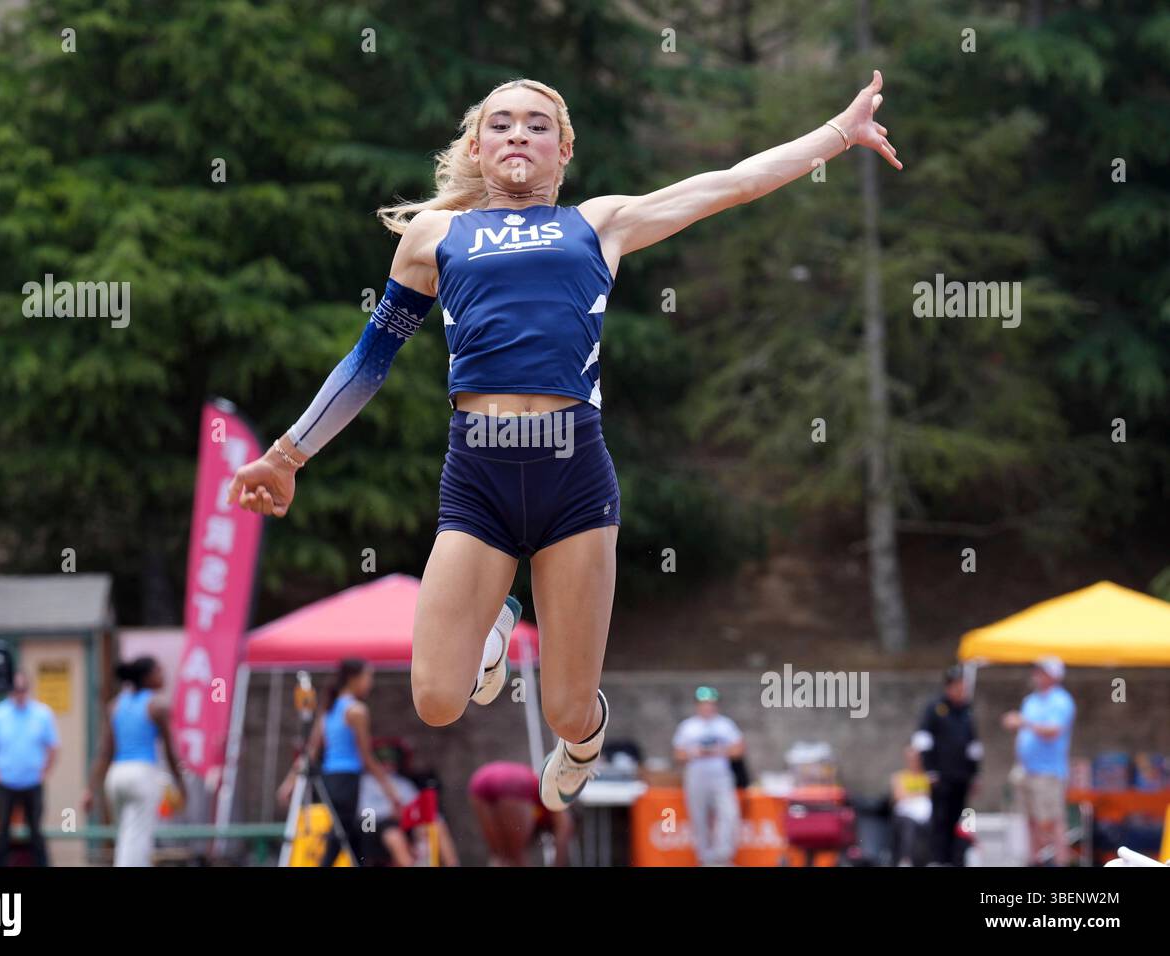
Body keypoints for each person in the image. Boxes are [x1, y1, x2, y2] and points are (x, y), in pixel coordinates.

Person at [225, 74, 902, 812]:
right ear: (478, 148)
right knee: (437, 700)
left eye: (538, 125)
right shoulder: (435, 238)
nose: (520, 134)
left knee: (566, 712)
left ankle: (585, 740)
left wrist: (839, 131)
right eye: (503, 124)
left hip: (573, 477)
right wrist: (287, 455)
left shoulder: (600, 223)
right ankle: (496, 622)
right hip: (477, 475)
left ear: (564, 150)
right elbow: (369, 359)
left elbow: (733, 184)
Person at [292, 659, 406, 867]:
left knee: (351, 834)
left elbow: (311, 750)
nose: (370, 683)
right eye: (368, 677)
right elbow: (367, 757)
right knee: (340, 835)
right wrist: (391, 791)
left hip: (330, 780)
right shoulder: (357, 711)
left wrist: (290, 782)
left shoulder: (329, 709)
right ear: (354, 678)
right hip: (347, 781)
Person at [83, 657, 186, 867]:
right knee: (140, 838)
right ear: (147, 677)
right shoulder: (157, 706)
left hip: (116, 776)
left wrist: (89, 789)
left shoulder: (115, 705)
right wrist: (181, 785)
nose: (162, 676)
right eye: (158, 671)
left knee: (125, 837)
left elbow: (105, 752)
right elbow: (170, 752)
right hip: (142, 774)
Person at [0, 670, 59, 866]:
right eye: (15, 689)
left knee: (35, 829)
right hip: (5, 782)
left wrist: (44, 772)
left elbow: (53, 746)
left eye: (23, 689)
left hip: (32, 782)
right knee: (2, 829)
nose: (19, 694)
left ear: (28, 689)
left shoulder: (42, 714)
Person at [1002, 657, 1076, 866]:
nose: (1036, 674)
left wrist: (1023, 722)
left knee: (1052, 822)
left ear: (1053, 675)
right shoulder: (1031, 700)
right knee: (1031, 821)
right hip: (1027, 771)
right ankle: (1035, 861)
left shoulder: (1061, 700)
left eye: (1042, 671)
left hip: (1048, 772)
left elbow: (1053, 730)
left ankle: (1061, 862)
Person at [912, 664, 982, 865]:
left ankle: (954, 859)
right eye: (957, 686)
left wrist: (975, 773)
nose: (961, 691)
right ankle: (937, 859)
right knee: (940, 820)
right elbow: (923, 740)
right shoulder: (935, 709)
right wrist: (930, 769)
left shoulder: (966, 711)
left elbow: (973, 745)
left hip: (961, 776)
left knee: (957, 820)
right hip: (940, 776)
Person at [672, 686, 744, 866]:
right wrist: (694, 752)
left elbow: (739, 749)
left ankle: (722, 856)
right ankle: (704, 858)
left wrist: (719, 750)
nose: (708, 708)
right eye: (704, 704)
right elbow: (678, 754)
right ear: (698, 706)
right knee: (698, 817)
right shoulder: (688, 726)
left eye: (711, 704)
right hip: (696, 778)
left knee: (729, 814)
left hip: (721, 778)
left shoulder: (725, 724)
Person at [354, 747, 460, 867]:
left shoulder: (403, 783)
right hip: (380, 827)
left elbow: (418, 806)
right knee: (394, 836)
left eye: (391, 762)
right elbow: (364, 813)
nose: (388, 766)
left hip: (407, 823)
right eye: (383, 762)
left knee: (436, 825)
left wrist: (421, 818)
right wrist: (389, 813)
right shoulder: (367, 783)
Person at [468, 761, 574, 866]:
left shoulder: (546, 804)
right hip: (514, 784)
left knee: (500, 855)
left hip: (480, 780)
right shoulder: (561, 807)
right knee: (516, 856)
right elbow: (562, 838)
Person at [891, 746, 933, 866]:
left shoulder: (927, 776)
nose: (913, 761)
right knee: (909, 827)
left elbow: (932, 796)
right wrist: (921, 793)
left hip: (925, 816)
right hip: (904, 816)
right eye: (910, 758)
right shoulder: (900, 776)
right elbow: (899, 796)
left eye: (916, 758)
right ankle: (906, 860)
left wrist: (911, 794)